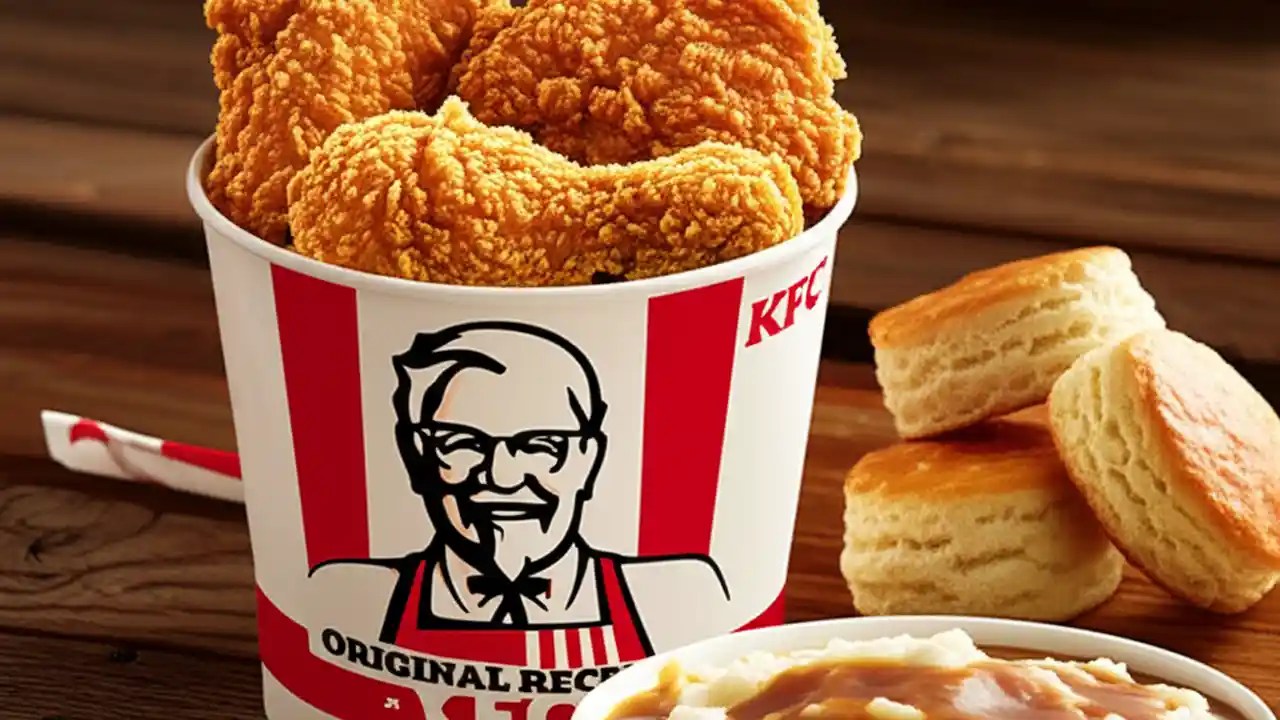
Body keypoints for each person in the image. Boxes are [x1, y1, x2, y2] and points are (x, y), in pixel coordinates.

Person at [309, 322, 731, 668]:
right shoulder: (356, 594)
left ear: (588, 458)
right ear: (417, 456)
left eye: (543, 445)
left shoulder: (672, 592)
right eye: (462, 442)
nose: (504, 476)